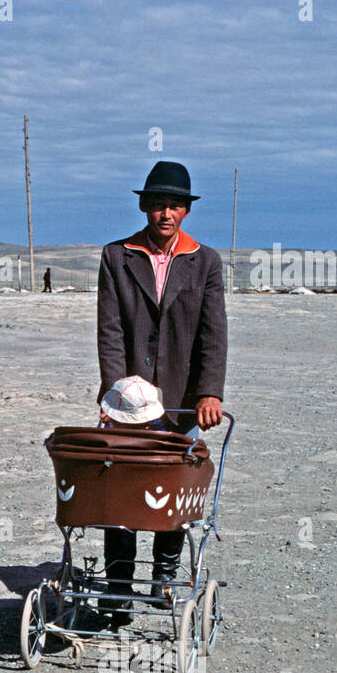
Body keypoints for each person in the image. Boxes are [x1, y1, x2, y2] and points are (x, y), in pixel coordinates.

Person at [95, 161, 227, 626]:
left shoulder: (205, 261)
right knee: (121, 493)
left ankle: (164, 580)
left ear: (186, 211)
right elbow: (110, 330)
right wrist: (117, 390)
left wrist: (209, 393)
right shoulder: (117, 256)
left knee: (172, 491)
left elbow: (213, 333)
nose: (165, 213)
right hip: (127, 402)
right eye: (157, 204)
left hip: (182, 401)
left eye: (174, 205)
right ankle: (117, 591)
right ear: (144, 206)